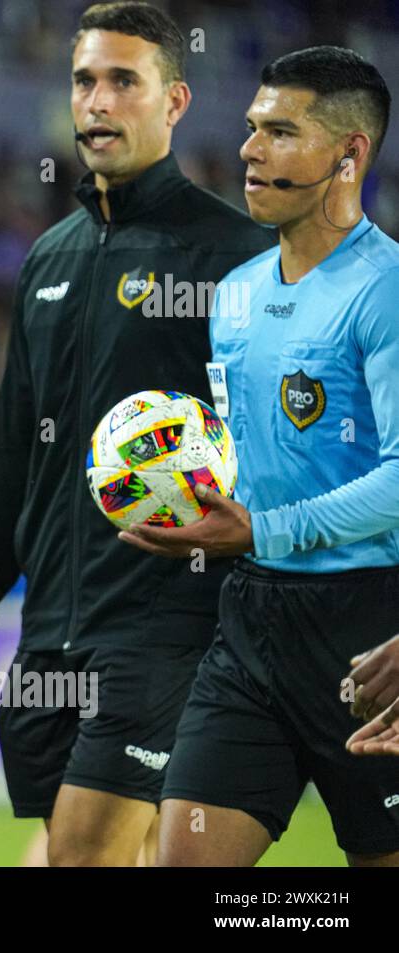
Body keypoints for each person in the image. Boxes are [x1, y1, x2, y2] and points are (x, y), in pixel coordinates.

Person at [0, 2, 275, 866]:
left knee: (80, 854)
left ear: (176, 101)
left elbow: (282, 448)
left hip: (172, 625)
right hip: (50, 633)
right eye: (85, 81)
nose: (99, 102)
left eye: (125, 81)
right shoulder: (50, 258)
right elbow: (9, 458)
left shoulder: (236, 257)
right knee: (87, 854)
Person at [120, 46, 399, 867]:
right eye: (251, 129)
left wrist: (261, 529)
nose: (249, 150)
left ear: (349, 156)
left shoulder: (384, 290)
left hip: (370, 631)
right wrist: (165, 475)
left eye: (281, 132)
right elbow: (247, 452)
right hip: (249, 624)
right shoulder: (237, 293)